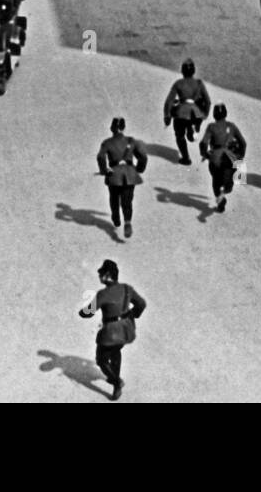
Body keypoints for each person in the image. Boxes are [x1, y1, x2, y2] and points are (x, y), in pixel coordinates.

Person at [78, 259, 146, 401]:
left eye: (101, 274)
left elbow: (89, 312)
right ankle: (115, 380)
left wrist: (82, 312)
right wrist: (133, 315)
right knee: (116, 352)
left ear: (108, 275)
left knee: (101, 360)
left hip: (110, 333)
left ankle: (117, 382)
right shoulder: (127, 288)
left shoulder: (103, 294)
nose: (100, 276)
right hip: (127, 329)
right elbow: (141, 304)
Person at [97, 117, 148, 239]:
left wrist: (104, 170)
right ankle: (127, 222)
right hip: (130, 174)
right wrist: (139, 169)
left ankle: (116, 217)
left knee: (114, 198)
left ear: (112, 128)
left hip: (114, 174)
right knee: (127, 201)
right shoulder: (132, 141)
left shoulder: (107, 143)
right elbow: (143, 157)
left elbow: (100, 157)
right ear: (123, 128)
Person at [199, 104, 246, 212]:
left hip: (215, 157)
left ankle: (221, 200)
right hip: (230, 157)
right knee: (230, 179)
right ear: (225, 113)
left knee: (216, 181)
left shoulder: (211, 126)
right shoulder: (232, 126)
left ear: (214, 114)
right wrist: (240, 157)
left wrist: (205, 154)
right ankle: (225, 190)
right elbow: (243, 143)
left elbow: (203, 143)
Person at [163, 58, 211, 165]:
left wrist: (167, 115)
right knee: (190, 131)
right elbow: (207, 101)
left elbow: (169, 101)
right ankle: (193, 128)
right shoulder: (199, 83)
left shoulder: (178, 83)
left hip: (182, 112)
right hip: (196, 112)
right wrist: (205, 114)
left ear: (182, 71)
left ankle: (186, 158)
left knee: (179, 135)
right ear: (193, 71)